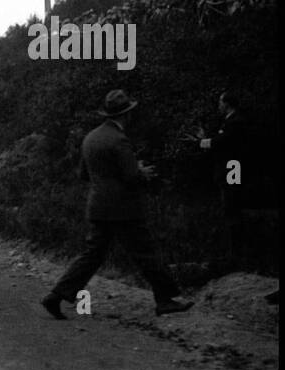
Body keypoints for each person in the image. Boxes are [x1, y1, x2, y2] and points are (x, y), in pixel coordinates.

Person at [42, 90, 192, 320]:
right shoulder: (119, 139)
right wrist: (142, 172)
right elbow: (132, 177)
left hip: (98, 206)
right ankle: (165, 300)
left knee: (92, 255)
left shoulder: (91, 137)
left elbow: (83, 174)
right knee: (146, 252)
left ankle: (56, 295)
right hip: (123, 208)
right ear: (127, 115)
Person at [194, 90, 250, 264]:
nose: (218, 106)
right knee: (230, 208)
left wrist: (201, 142)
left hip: (232, 170)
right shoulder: (231, 122)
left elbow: (223, 142)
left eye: (220, 102)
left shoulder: (235, 122)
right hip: (231, 169)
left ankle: (237, 253)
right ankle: (236, 251)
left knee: (232, 206)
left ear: (227, 103)